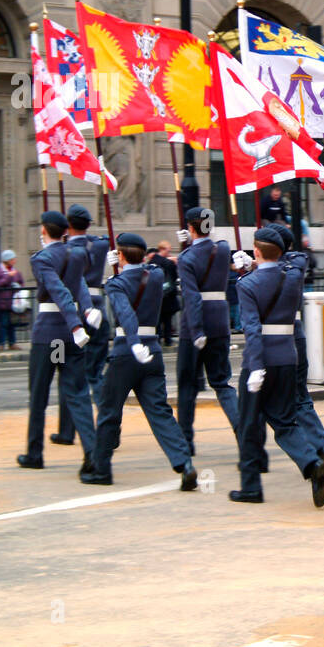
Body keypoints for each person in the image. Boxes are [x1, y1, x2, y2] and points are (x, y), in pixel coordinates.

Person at [81, 232, 198, 492]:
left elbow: (125, 314)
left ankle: (101, 469)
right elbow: (152, 268)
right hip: (153, 351)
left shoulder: (116, 284)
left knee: (110, 411)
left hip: (126, 351)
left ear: (120, 255)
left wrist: (115, 277)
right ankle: (184, 464)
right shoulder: (154, 275)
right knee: (160, 413)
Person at [230, 226, 324, 506]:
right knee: (285, 421)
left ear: (257, 251)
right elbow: (298, 258)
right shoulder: (293, 276)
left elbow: (251, 329)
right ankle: (311, 462)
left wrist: (256, 366)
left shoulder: (246, 284)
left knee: (249, 425)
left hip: (260, 360)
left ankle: (251, 487)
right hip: (288, 356)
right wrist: (257, 262)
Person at [18, 211, 98, 472]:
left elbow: (59, 289)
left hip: (50, 334)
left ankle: (34, 453)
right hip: (69, 336)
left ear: (43, 230)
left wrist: (76, 321)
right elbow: (80, 287)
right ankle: (92, 453)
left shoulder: (41, 258)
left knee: (39, 396)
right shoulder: (76, 255)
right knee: (77, 394)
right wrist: (86, 310)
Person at [174, 207, 239, 457]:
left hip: (195, 327)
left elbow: (191, 297)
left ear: (190, 228)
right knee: (222, 383)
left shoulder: (187, 258)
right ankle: (243, 432)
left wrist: (197, 329)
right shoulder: (222, 249)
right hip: (220, 321)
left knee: (187, 386)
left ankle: (186, 441)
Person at [55, 205, 111, 447]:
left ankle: (67, 431)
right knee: (95, 373)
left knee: (69, 374)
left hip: (76, 311)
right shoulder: (99, 245)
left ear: (68, 226)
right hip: (99, 307)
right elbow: (108, 239)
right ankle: (108, 427)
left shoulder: (66, 250)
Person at [0, 250, 24, 351]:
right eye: (12, 259)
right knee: (3, 323)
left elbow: (21, 282)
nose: (14, 261)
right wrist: (9, 277)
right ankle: (1, 343)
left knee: (12, 323)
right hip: (2, 302)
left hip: (13, 302)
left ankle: (12, 343)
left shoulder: (15, 271)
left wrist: (19, 286)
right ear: (7, 260)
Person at [149, 241, 179, 346]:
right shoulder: (169, 263)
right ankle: (167, 339)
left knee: (158, 319)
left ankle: (157, 339)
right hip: (168, 295)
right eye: (168, 251)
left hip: (156, 295)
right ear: (162, 249)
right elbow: (174, 277)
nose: (169, 253)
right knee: (167, 320)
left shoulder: (151, 262)